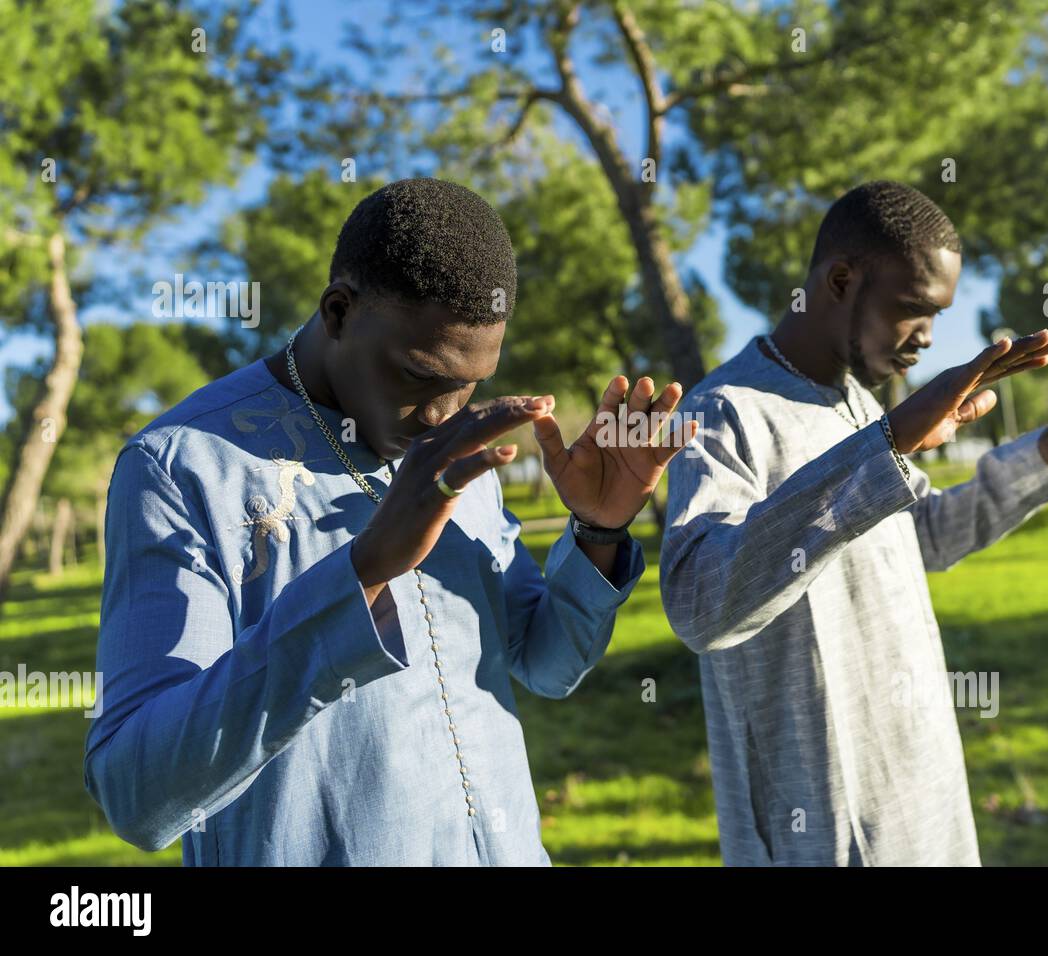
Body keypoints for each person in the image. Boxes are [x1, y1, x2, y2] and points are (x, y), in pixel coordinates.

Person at [84, 177, 695, 865]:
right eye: (417, 376)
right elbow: (136, 793)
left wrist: (599, 532)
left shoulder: (461, 451)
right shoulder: (180, 467)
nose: (442, 416)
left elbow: (547, 666)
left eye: (468, 383)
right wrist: (362, 573)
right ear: (339, 312)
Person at [659, 180, 1048, 866]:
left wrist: (1042, 458)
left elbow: (920, 536)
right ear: (841, 279)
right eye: (912, 309)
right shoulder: (725, 410)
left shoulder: (858, 406)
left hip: (920, 792)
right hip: (814, 818)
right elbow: (699, 605)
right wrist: (891, 440)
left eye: (938, 315)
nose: (929, 338)